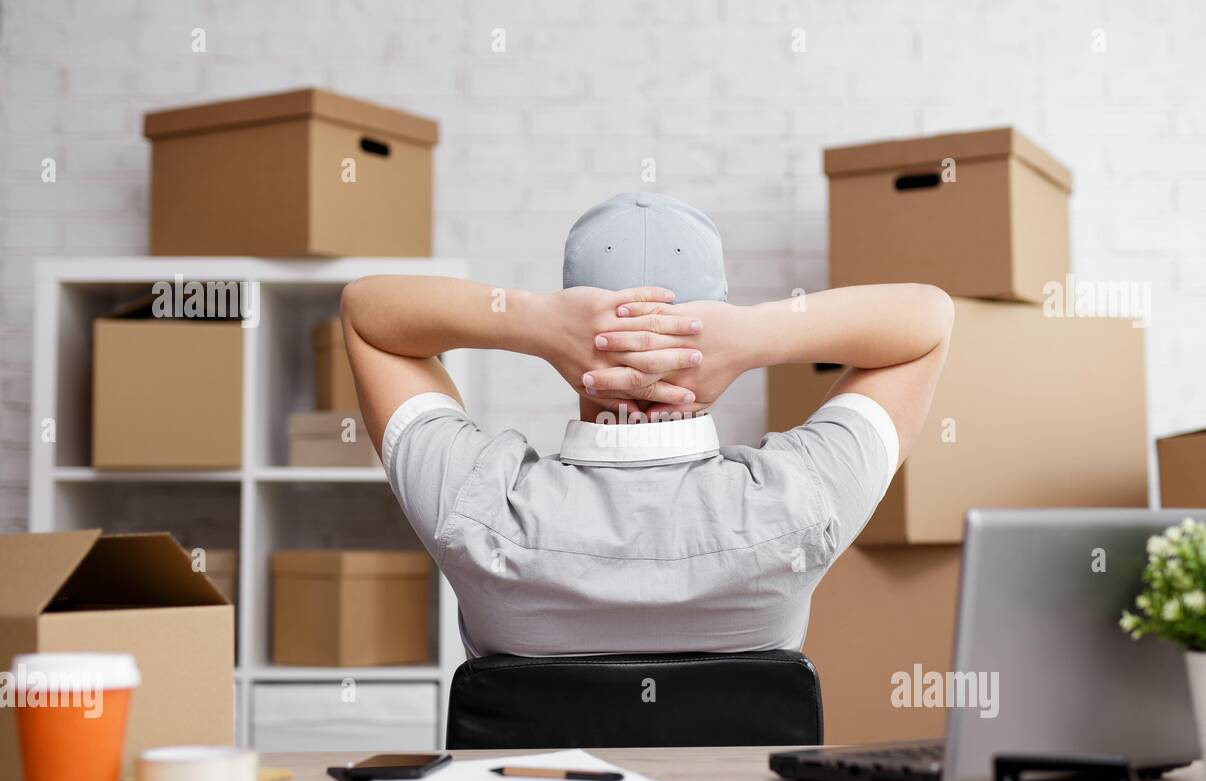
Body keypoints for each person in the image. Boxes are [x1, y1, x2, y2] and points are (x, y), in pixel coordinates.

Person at [340, 192, 952, 659]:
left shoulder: (477, 504)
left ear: (572, 343)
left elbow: (366, 313)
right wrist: (752, 335)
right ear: (715, 321)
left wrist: (532, 323)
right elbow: (927, 321)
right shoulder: (799, 501)